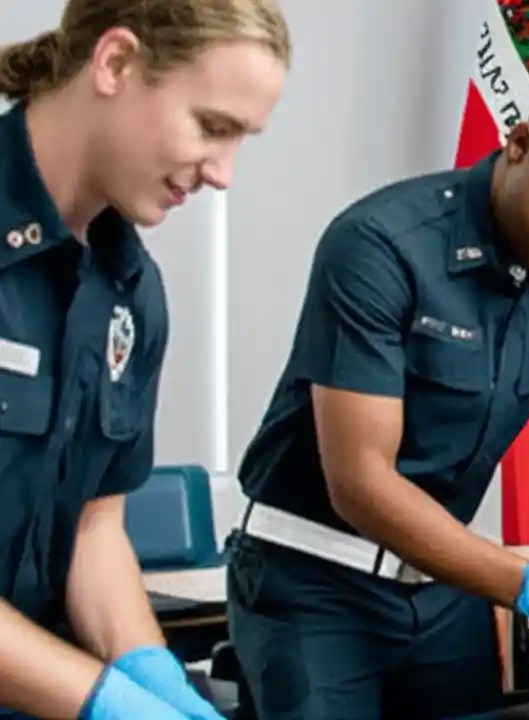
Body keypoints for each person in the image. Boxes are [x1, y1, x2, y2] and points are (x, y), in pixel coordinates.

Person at [226, 66, 529, 720]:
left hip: (444, 588)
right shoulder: (380, 247)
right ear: (518, 144)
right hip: (313, 584)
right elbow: (363, 481)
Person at [0, 2, 290, 718]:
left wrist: (148, 671)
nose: (223, 173)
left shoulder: (130, 292)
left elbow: (95, 529)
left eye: (241, 140)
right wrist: (102, 701)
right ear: (115, 63)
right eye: (212, 127)